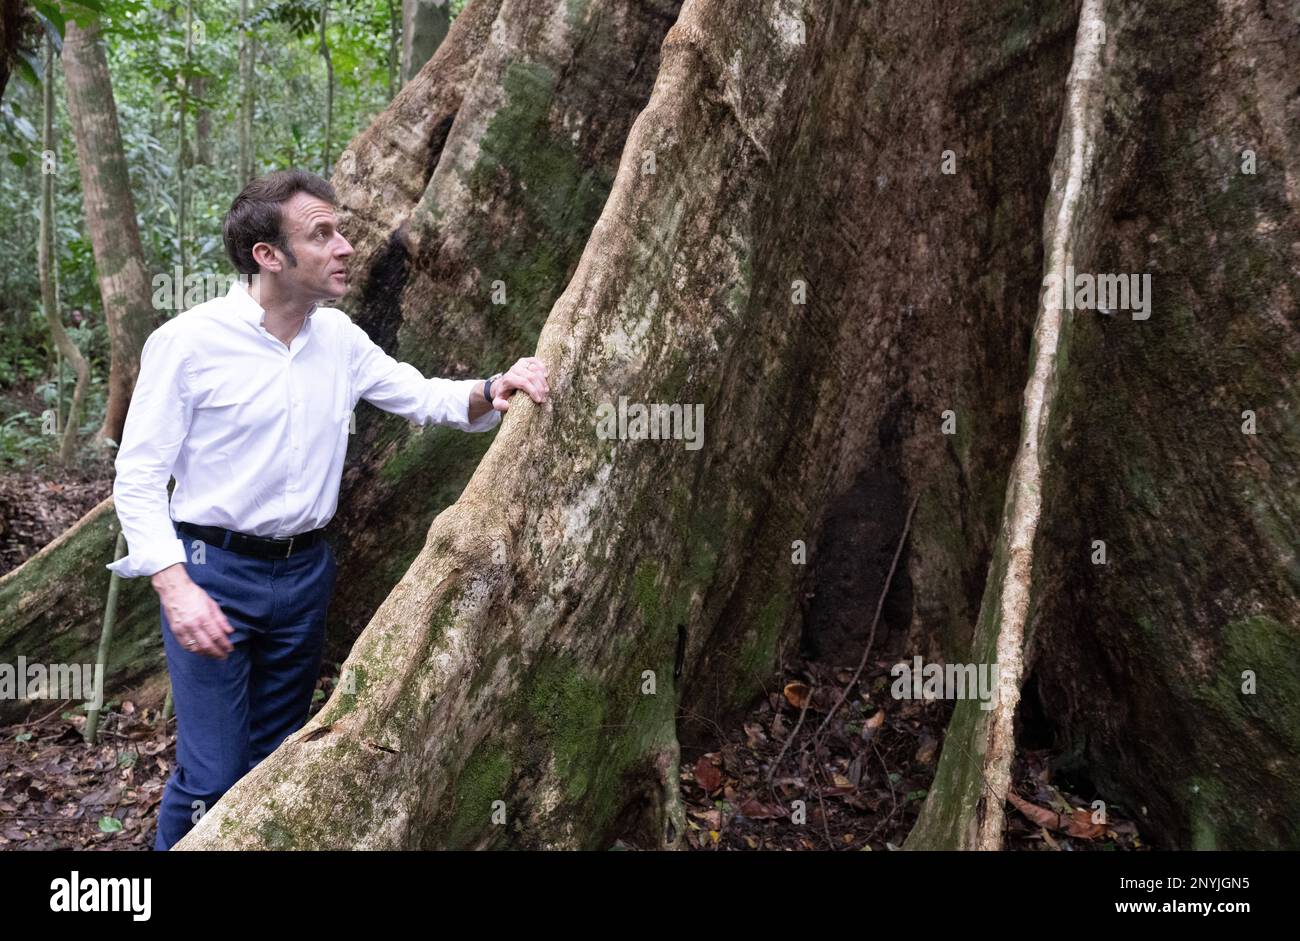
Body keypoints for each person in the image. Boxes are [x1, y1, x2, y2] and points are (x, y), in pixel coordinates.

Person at [106, 169, 550, 850]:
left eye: (340, 230)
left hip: (304, 574)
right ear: (268, 255)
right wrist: (175, 587)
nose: (344, 245)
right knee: (211, 773)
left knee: (274, 762)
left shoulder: (338, 340)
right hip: (210, 574)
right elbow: (137, 477)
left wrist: (498, 386)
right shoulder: (189, 343)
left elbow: (422, 395)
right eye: (323, 233)